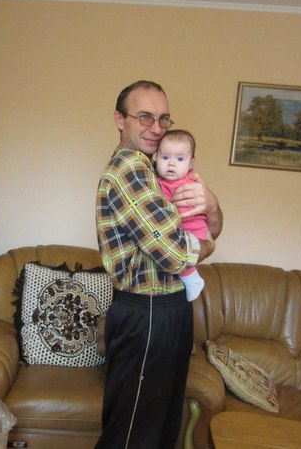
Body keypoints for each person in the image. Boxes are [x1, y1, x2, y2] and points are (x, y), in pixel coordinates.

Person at [95, 80, 222, 449]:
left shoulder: (159, 169)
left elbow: (207, 225)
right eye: (145, 117)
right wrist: (208, 244)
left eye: (164, 118)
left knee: (160, 426)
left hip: (167, 308)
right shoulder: (131, 170)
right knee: (133, 434)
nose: (156, 127)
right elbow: (176, 254)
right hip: (147, 313)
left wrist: (212, 204)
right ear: (120, 120)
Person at [155, 129, 208, 301]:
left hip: (192, 229)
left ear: (191, 163)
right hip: (182, 230)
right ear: (156, 157)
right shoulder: (160, 181)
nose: (171, 164)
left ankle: (192, 279)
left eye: (179, 159)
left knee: (176, 252)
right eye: (165, 157)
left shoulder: (188, 183)